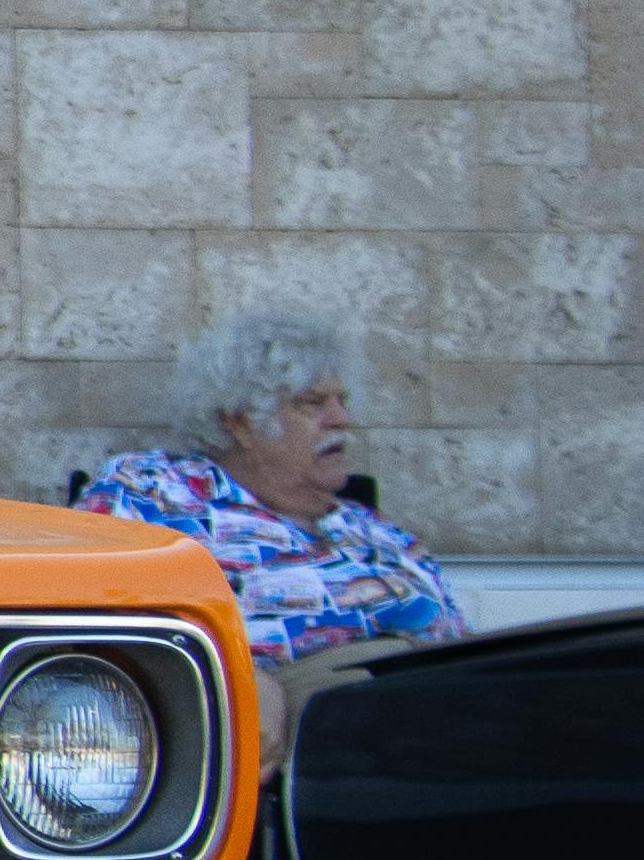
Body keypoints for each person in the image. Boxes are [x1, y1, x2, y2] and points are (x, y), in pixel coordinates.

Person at [74, 321, 464, 764]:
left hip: (433, 695)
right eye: (312, 403)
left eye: (342, 401)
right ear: (239, 422)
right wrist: (235, 679)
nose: (340, 419)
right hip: (307, 702)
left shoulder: (375, 531)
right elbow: (96, 608)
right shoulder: (157, 489)